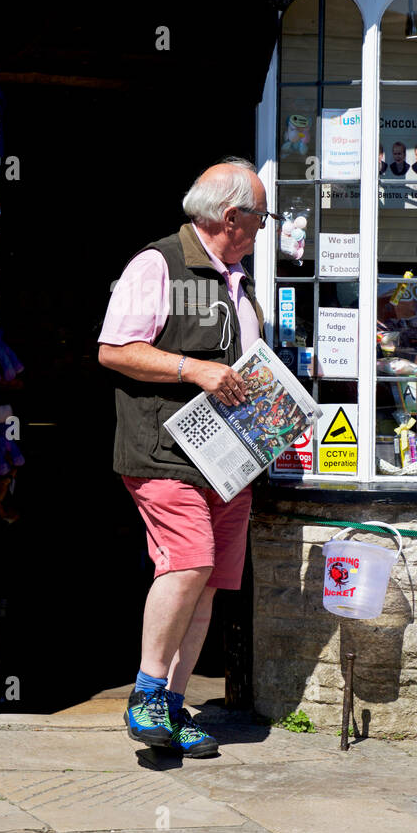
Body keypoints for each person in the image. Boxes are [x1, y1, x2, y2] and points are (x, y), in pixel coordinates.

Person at [98, 158, 267, 757]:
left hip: (228, 460)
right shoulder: (158, 264)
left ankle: (170, 707)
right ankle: (146, 693)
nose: (262, 229)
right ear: (231, 216)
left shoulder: (238, 279)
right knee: (188, 562)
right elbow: (115, 350)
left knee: (210, 583)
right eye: (260, 217)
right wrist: (192, 368)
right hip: (164, 451)